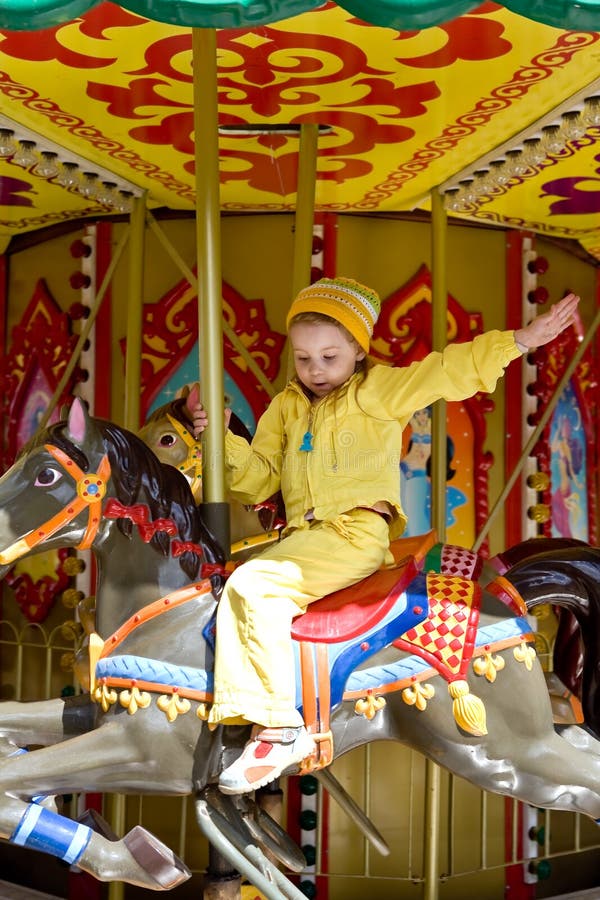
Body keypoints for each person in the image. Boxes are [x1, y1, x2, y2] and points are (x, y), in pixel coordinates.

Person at [192, 277, 579, 795]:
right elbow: (258, 478)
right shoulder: (286, 407)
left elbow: (443, 372)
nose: (315, 370)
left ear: (357, 349)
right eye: (304, 358)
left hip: (353, 533)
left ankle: (280, 728)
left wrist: (521, 341)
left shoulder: (377, 391)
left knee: (254, 587)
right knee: (226, 586)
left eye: (330, 356)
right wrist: (217, 436)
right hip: (303, 536)